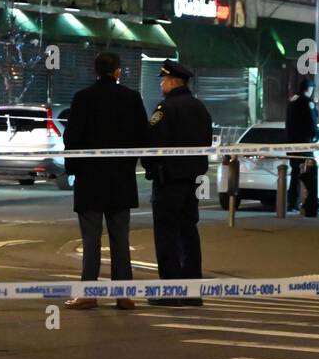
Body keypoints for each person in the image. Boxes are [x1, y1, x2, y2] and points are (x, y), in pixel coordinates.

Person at [63, 52, 150, 311]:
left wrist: (74, 170)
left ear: (95, 71)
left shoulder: (82, 99)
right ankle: (123, 294)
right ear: (118, 71)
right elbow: (143, 137)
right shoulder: (132, 98)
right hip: (121, 179)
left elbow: (72, 139)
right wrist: (129, 164)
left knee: (91, 239)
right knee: (120, 238)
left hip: (90, 179)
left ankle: (88, 293)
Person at [141, 59, 213, 306]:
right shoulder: (200, 108)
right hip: (192, 180)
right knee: (189, 233)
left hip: (168, 179)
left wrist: (150, 169)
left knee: (166, 235)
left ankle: (171, 289)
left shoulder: (166, 108)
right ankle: (192, 291)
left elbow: (152, 143)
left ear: (172, 82)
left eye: (163, 80)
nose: (162, 84)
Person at [285, 77, 319, 217]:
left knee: (295, 173)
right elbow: (311, 122)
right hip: (304, 144)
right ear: (310, 89)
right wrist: (316, 135)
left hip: (291, 144)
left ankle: (292, 202)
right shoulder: (307, 102)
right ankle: (308, 203)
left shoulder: (292, 101)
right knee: (309, 172)